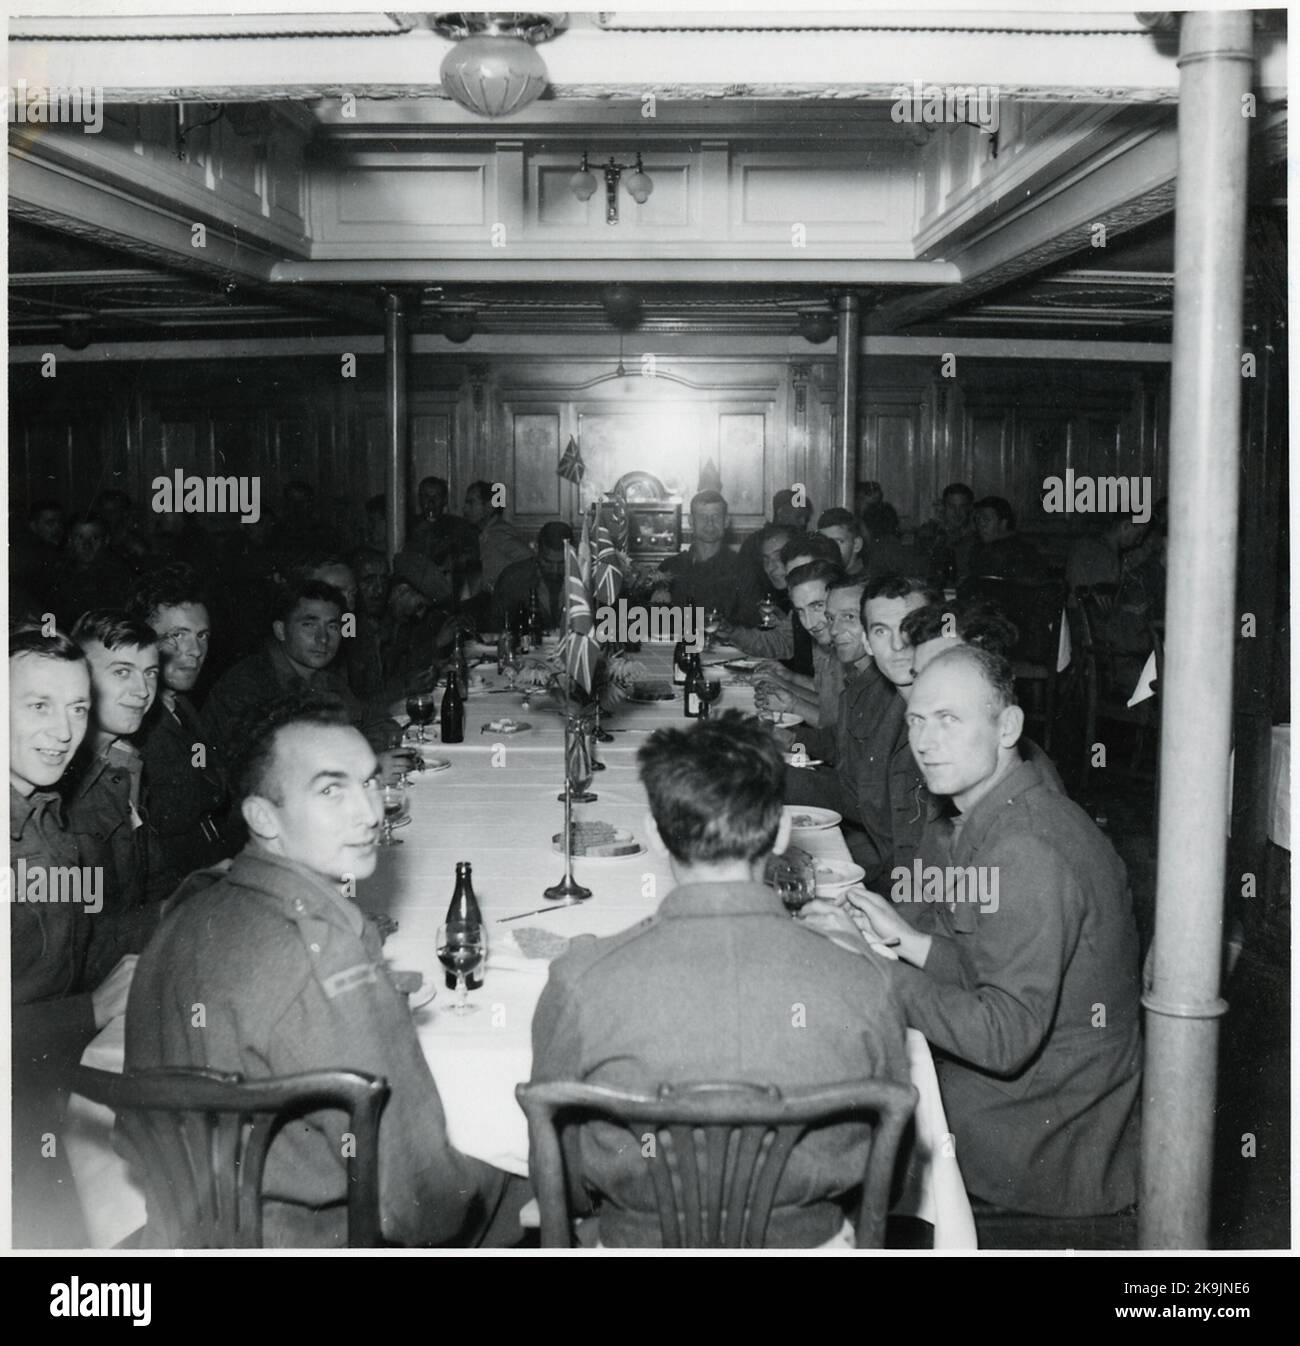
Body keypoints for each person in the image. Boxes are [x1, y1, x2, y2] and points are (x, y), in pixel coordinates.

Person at [125, 693, 527, 1247]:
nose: (370, 812)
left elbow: (132, 1133)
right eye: (331, 789)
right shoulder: (330, 955)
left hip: (184, 1231)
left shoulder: (187, 913)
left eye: (369, 782)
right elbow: (423, 1202)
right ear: (263, 817)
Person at [529, 709, 909, 1248]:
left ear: (656, 836)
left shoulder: (580, 982)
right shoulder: (867, 984)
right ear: (781, 832)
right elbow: (889, 1180)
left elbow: (562, 1181)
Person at [850, 646, 1141, 1217]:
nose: (925, 743)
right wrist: (909, 943)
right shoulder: (1010, 812)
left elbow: (1004, 1039)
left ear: (1007, 726)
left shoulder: (1025, 848)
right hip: (1057, 1091)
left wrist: (876, 976)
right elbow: (993, 965)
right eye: (915, 721)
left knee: (842, 1115)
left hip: (1044, 1131)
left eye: (948, 721)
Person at [10, 623, 137, 1247]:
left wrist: (199, 904)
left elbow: (82, 941)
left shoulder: (42, 812)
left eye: (78, 709)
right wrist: (90, 1009)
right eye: (38, 706)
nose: (63, 732)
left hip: (49, 1092)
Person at [202, 579, 410, 772]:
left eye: (332, 626)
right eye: (309, 625)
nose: (323, 639)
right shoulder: (248, 684)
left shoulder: (325, 679)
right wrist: (363, 767)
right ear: (281, 631)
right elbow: (264, 771)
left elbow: (379, 724)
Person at [65, 610, 168, 982]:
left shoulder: (121, 765)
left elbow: (150, 883)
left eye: (150, 673)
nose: (143, 691)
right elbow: (78, 946)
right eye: (122, 672)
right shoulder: (60, 790)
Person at [127, 564, 236, 899]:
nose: (195, 651)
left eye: (202, 635)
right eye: (176, 636)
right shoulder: (133, 724)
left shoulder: (180, 704)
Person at [656, 490, 754, 623]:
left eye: (716, 516)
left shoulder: (743, 569)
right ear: (691, 521)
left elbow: (750, 625)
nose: (710, 523)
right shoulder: (670, 567)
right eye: (702, 516)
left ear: (726, 521)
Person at [49, 512, 134, 626]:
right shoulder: (59, 571)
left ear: (106, 540)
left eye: (95, 538)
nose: (87, 545)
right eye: (79, 537)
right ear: (70, 540)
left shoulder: (118, 573)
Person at [491, 520, 574, 633]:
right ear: (535, 548)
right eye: (547, 562)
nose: (555, 570)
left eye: (562, 563)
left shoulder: (586, 579)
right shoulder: (514, 578)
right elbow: (496, 626)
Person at [463, 480, 533, 598]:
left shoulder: (498, 534)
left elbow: (531, 560)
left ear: (489, 507)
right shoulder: (486, 532)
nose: (465, 508)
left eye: (471, 503)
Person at [1065, 513, 1148, 595]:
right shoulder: (1106, 555)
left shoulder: (1091, 545)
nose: (1139, 542)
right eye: (1139, 535)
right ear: (1125, 526)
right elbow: (1103, 599)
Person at [968, 497, 1047, 582]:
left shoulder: (1021, 552)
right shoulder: (978, 547)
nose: (981, 525)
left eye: (986, 520)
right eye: (978, 519)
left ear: (1003, 523)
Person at [916, 482, 978, 586]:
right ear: (944, 507)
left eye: (962, 507)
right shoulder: (930, 533)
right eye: (951, 506)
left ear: (970, 508)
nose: (957, 513)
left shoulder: (978, 537)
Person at [816, 507, 866, 578]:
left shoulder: (868, 585)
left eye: (838, 541)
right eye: (823, 541)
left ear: (857, 544)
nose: (829, 548)